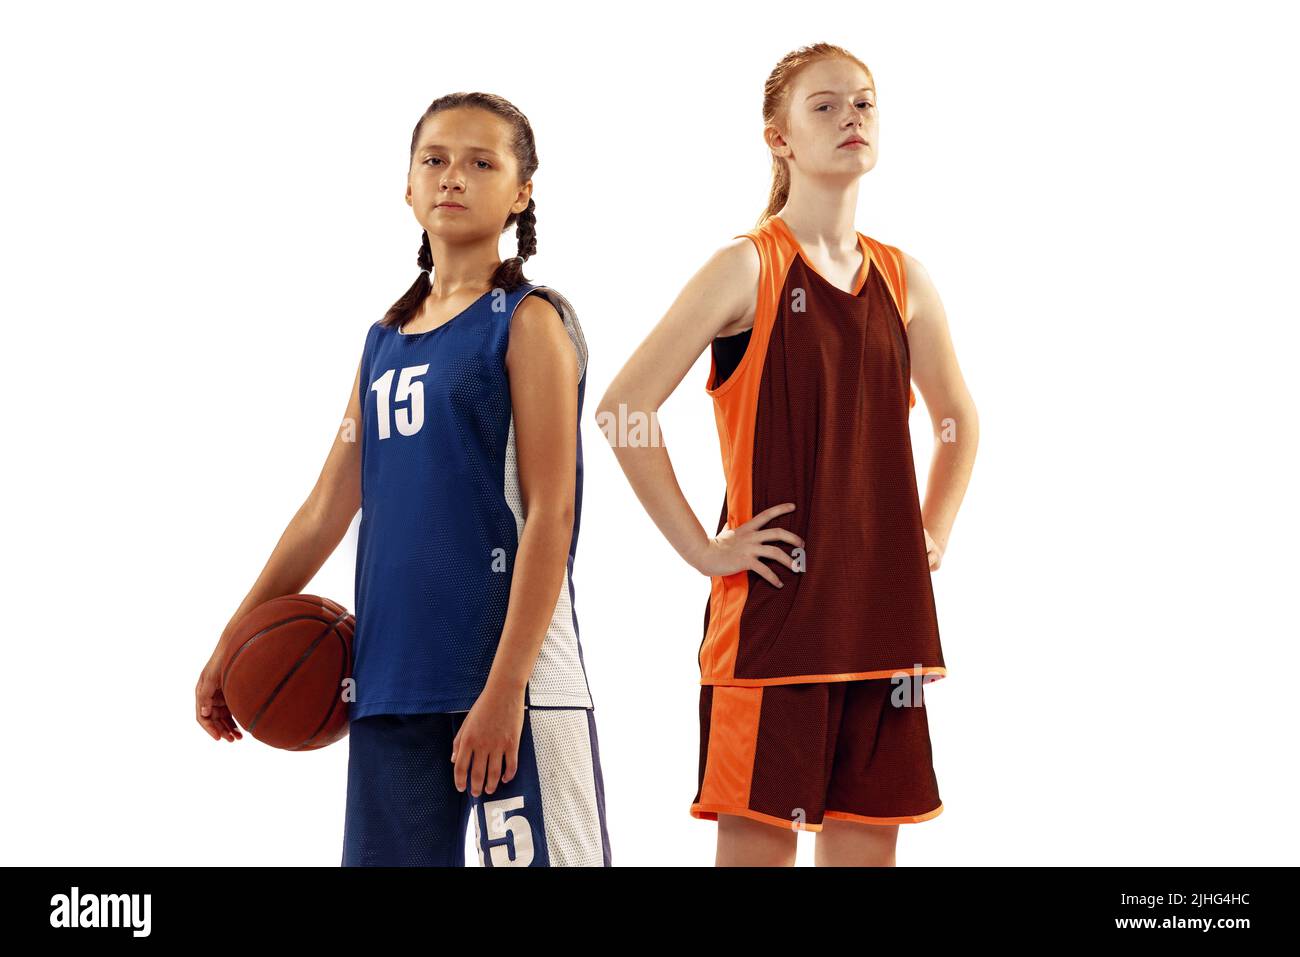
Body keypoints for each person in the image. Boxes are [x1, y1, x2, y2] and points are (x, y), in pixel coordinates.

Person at [196, 92, 611, 867]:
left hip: (511, 686)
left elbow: (553, 513)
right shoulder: (383, 341)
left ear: (522, 192)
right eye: (436, 159)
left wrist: (504, 689)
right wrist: (231, 639)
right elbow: (326, 507)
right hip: (388, 684)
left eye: (481, 162)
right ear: (409, 188)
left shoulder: (529, 321)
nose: (453, 176)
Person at [596, 44, 977, 866]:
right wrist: (704, 547)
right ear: (779, 139)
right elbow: (624, 410)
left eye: (865, 104)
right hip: (773, 626)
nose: (852, 118)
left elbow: (959, 422)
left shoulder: (904, 279)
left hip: (885, 627)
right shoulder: (745, 266)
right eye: (826, 106)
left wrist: (930, 532)